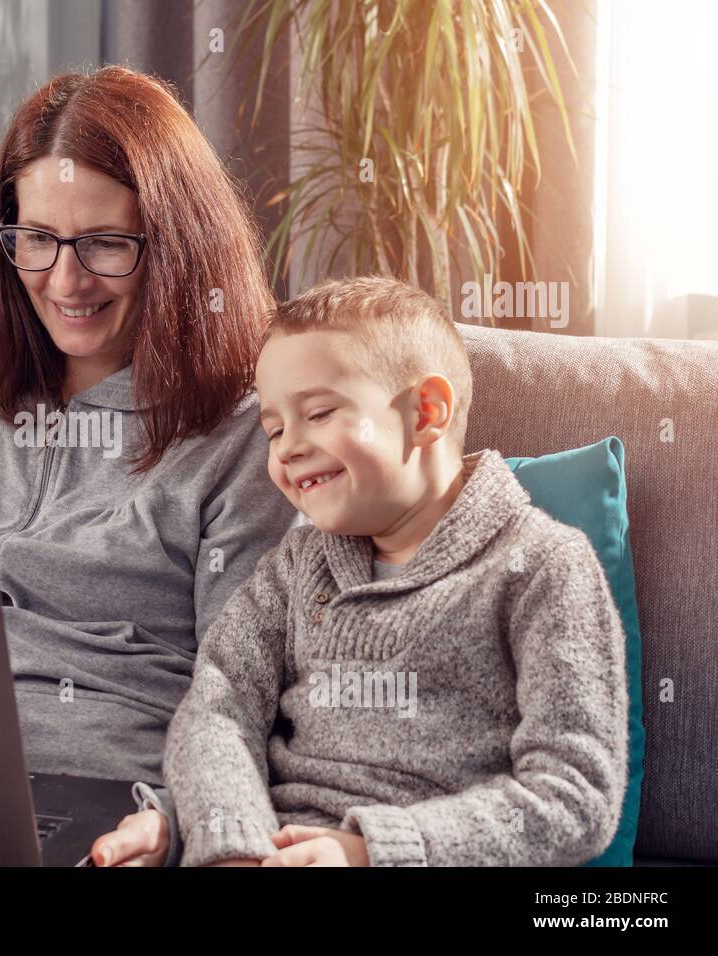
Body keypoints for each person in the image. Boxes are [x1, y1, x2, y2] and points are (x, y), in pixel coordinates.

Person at [0, 64, 299, 821]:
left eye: (103, 243)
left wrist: (165, 824)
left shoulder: (245, 436)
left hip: (105, 802)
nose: (66, 280)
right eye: (37, 239)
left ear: (177, 245)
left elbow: (241, 700)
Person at [93, 276, 628, 866]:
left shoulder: (543, 568)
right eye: (274, 429)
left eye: (318, 413)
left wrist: (373, 851)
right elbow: (218, 712)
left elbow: (573, 797)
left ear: (426, 412)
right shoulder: (294, 568)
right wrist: (216, 834)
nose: (288, 448)